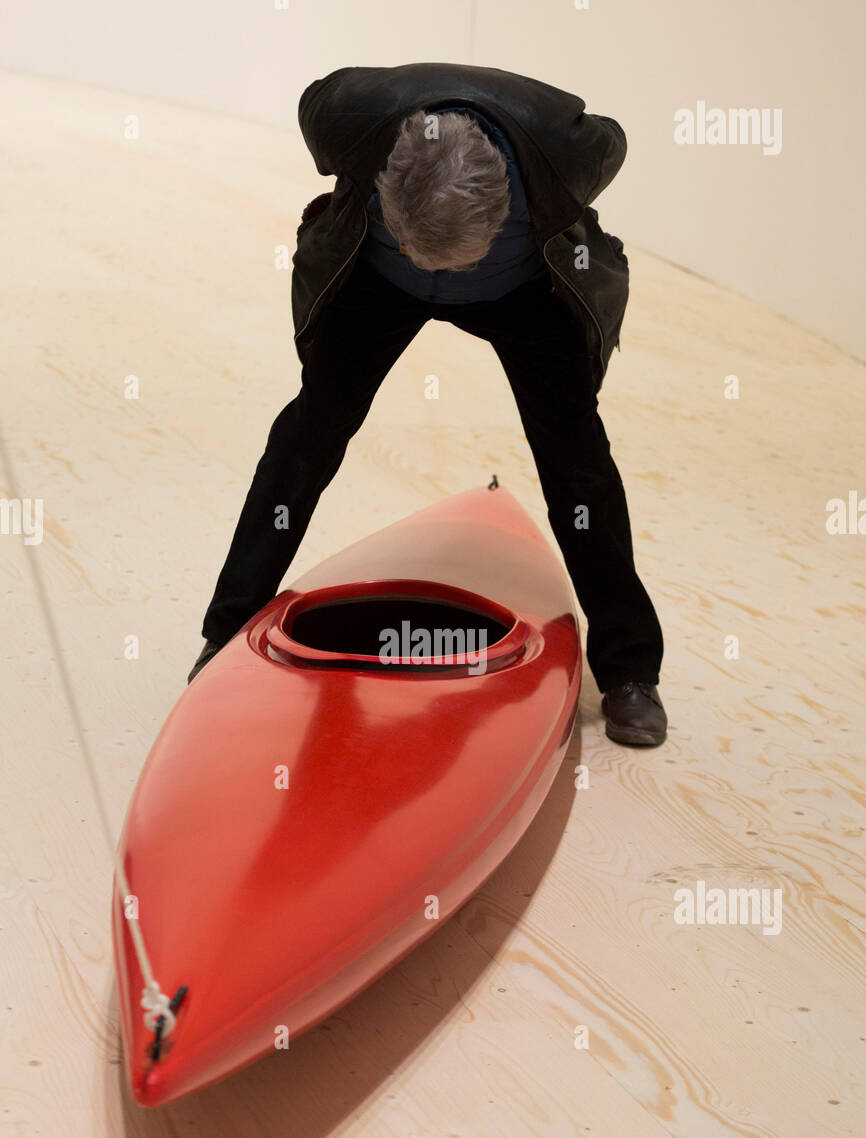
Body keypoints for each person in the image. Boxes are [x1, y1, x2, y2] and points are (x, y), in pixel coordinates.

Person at [190, 62, 667, 746]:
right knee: (307, 436)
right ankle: (225, 630)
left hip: (521, 292)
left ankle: (630, 672)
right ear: (385, 180)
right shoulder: (348, 115)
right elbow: (311, 98)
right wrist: (404, 254)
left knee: (578, 462)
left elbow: (613, 138)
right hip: (382, 281)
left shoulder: (565, 150)